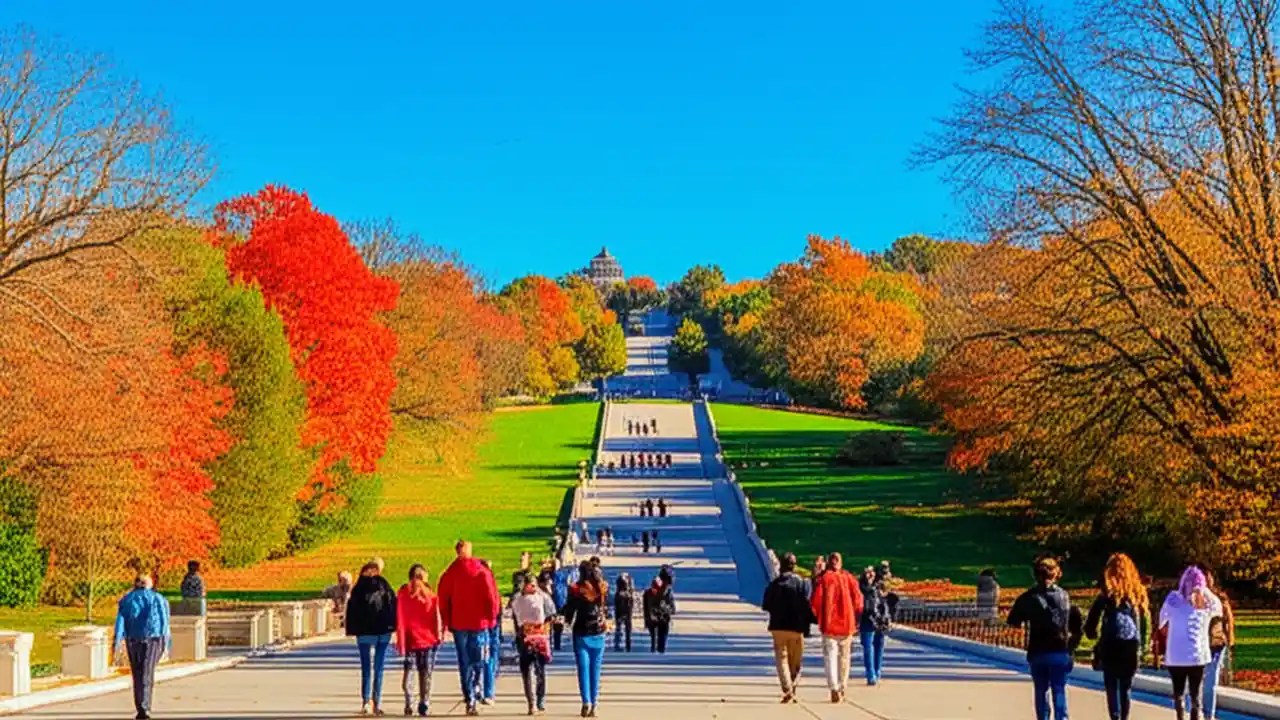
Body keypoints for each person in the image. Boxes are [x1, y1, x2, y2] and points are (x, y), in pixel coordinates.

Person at [1007, 556, 1083, 720]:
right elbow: (1076, 624)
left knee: (1041, 690)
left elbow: (1013, 621)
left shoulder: (1029, 597)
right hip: (1060, 650)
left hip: (1038, 651)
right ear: (1056, 574)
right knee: (1059, 689)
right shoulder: (1065, 596)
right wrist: (1071, 647)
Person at [439, 540, 501, 716]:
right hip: (479, 622)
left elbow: (443, 600)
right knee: (479, 658)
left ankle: (470, 696)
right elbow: (491, 596)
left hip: (459, 623)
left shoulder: (450, 573)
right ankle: (476, 684)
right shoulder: (482, 571)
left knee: (464, 661)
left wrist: (446, 621)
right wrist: (492, 617)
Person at [1084, 553, 1150, 720]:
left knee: (1111, 685)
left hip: (1111, 643)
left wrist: (1092, 634)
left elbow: (1093, 619)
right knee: (1126, 687)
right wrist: (1143, 645)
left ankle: (1115, 716)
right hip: (1131, 644)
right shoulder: (1138, 592)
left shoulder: (1107, 593)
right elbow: (1144, 620)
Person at [1158, 565, 1221, 720]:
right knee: (1195, 694)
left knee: (1178, 692)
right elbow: (1218, 608)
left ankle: (1180, 715)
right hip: (1196, 655)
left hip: (1176, 656)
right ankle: (1195, 715)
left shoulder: (1173, 599)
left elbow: (1161, 621)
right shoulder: (1205, 603)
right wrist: (1203, 590)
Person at [113, 574, 170, 720]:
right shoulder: (158, 599)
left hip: (133, 639)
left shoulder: (127, 599)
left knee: (137, 673)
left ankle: (140, 706)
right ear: (149, 584)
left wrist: (117, 641)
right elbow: (164, 622)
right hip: (153, 638)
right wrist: (167, 643)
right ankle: (145, 707)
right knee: (147, 672)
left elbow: (120, 621)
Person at [346, 560, 398, 717]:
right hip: (382, 631)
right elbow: (392, 605)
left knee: (366, 668)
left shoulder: (358, 588)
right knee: (379, 668)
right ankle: (376, 701)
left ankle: (366, 700)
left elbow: (351, 611)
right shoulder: (384, 585)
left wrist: (352, 630)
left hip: (364, 633)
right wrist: (392, 626)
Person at [809, 552, 863, 703]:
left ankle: (833, 688)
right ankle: (842, 686)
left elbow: (816, 602)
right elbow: (859, 601)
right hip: (847, 625)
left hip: (829, 625)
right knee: (844, 658)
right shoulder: (848, 578)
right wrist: (855, 617)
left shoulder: (824, 580)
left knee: (830, 657)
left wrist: (820, 616)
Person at [762, 553, 813, 703]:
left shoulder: (774, 584)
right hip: (796, 627)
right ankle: (792, 685)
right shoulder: (801, 584)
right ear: (794, 566)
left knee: (781, 658)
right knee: (795, 660)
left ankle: (787, 687)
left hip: (778, 627)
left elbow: (766, 605)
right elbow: (807, 604)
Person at [563, 561, 610, 717]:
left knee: (583, 669)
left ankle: (586, 702)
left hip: (582, 632)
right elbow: (606, 608)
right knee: (595, 669)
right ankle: (595, 703)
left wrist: (562, 619)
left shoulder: (577, 589)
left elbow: (569, 610)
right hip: (599, 631)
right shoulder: (602, 588)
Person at [397, 564, 443, 718]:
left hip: (409, 638)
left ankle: (409, 701)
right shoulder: (430, 595)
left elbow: (400, 618)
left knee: (409, 669)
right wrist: (439, 636)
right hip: (427, 639)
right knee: (425, 672)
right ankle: (424, 701)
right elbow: (436, 618)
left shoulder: (403, 594)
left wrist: (401, 639)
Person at [511, 576, 556, 716]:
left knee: (540, 669)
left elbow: (551, 614)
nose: (532, 588)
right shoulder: (518, 599)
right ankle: (531, 702)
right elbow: (515, 619)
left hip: (539, 637)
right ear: (524, 586)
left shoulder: (542, 597)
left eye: (534, 585)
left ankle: (540, 699)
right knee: (526, 671)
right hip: (524, 638)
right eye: (529, 585)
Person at [1199, 564, 1234, 720]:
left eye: (1209, 576)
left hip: (1217, 644)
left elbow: (1228, 619)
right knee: (1201, 680)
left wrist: (1229, 639)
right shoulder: (1196, 598)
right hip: (1200, 643)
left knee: (1211, 680)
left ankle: (1209, 714)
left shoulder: (1220, 597)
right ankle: (1200, 711)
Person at [858, 566, 892, 686]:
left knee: (879, 645)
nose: (870, 575)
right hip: (866, 620)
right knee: (868, 647)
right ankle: (870, 674)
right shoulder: (860, 588)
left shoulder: (879, 587)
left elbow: (885, 602)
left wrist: (885, 618)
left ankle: (877, 672)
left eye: (871, 572)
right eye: (867, 572)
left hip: (879, 621)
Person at [478, 559, 502, 707]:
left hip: (484, 623)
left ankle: (486, 690)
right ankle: (488, 691)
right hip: (490, 623)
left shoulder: (481, 583)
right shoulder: (490, 581)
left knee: (485, 658)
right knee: (489, 658)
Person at [643, 574, 676, 653]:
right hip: (652, 618)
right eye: (653, 587)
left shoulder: (667, 593)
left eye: (656, 588)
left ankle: (660, 651)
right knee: (653, 637)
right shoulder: (647, 594)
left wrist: (665, 608)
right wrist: (646, 620)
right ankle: (653, 650)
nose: (654, 590)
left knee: (662, 637)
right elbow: (645, 608)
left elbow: (673, 609)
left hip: (663, 619)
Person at [613, 573, 636, 652]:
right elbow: (632, 603)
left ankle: (618, 644)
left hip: (620, 611)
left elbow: (616, 604)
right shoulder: (629, 594)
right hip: (627, 611)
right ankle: (628, 645)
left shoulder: (618, 594)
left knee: (619, 627)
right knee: (627, 627)